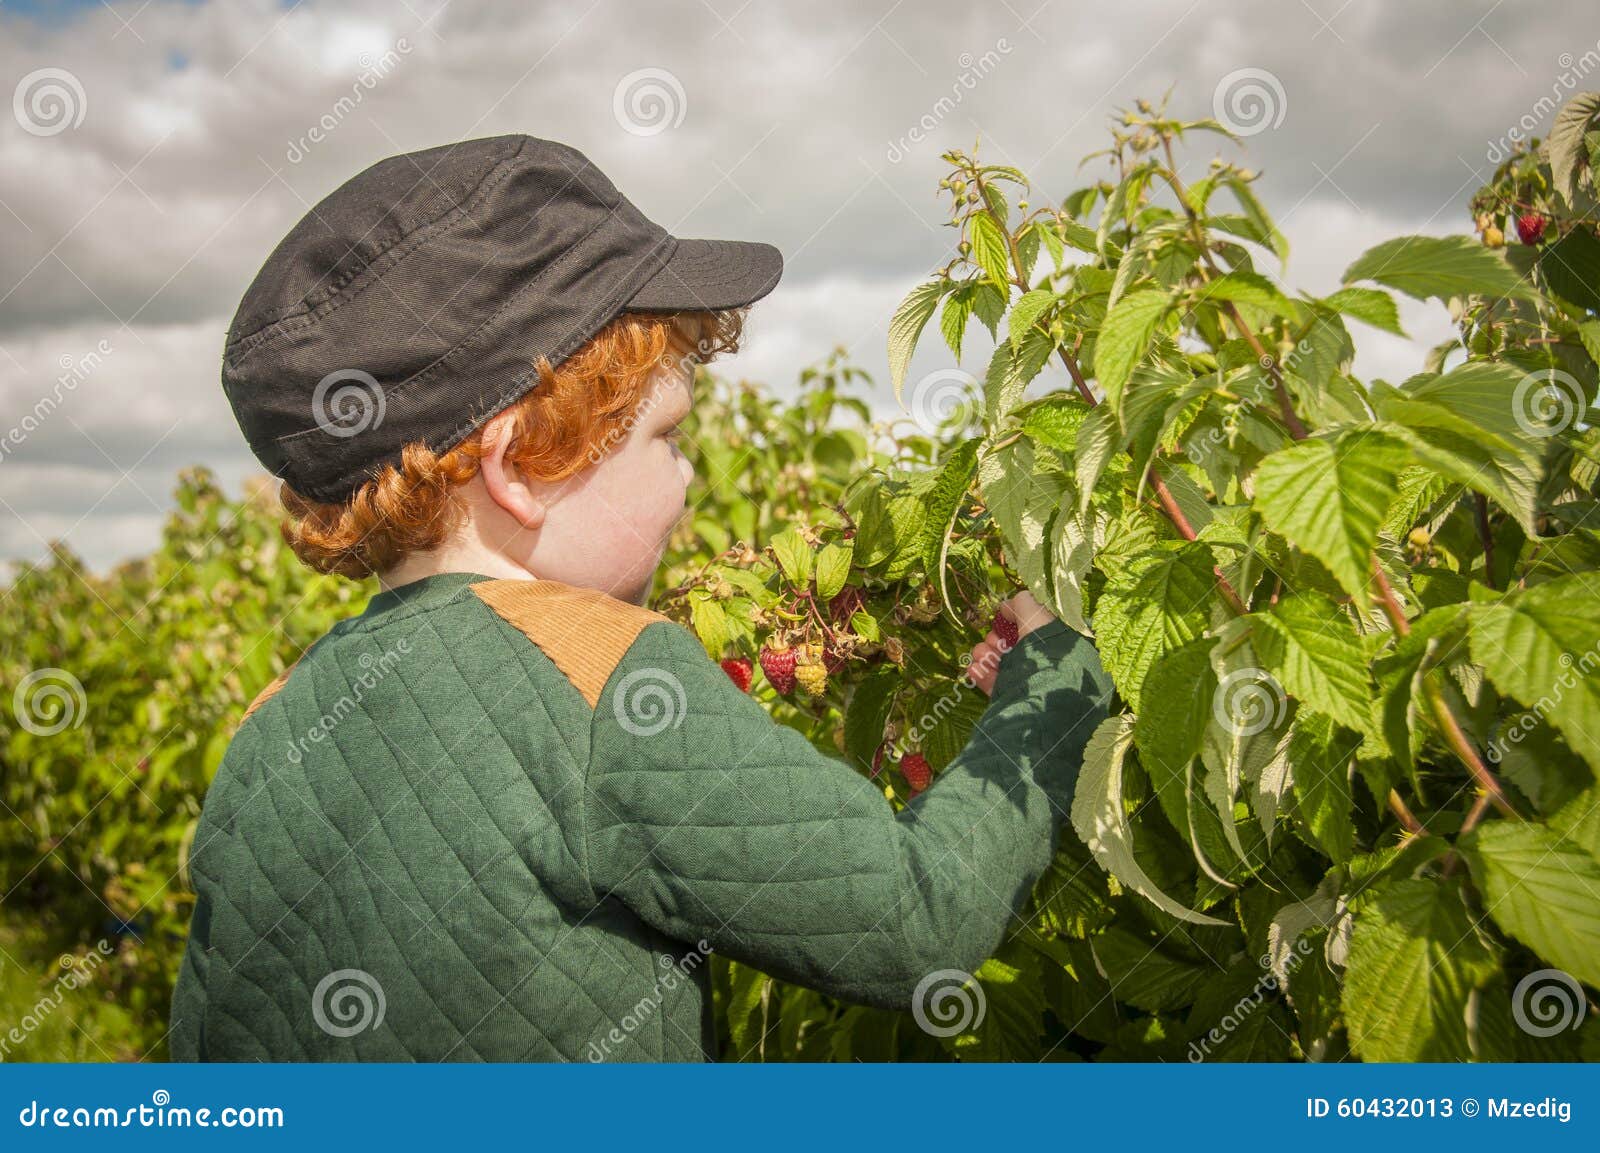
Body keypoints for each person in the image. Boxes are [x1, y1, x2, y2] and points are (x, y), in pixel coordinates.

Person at [169, 134, 1111, 1061]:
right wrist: (1053, 675)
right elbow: (920, 918)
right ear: (518, 469)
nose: (689, 476)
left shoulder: (271, 728)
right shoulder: (601, 675)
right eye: (666, 435)